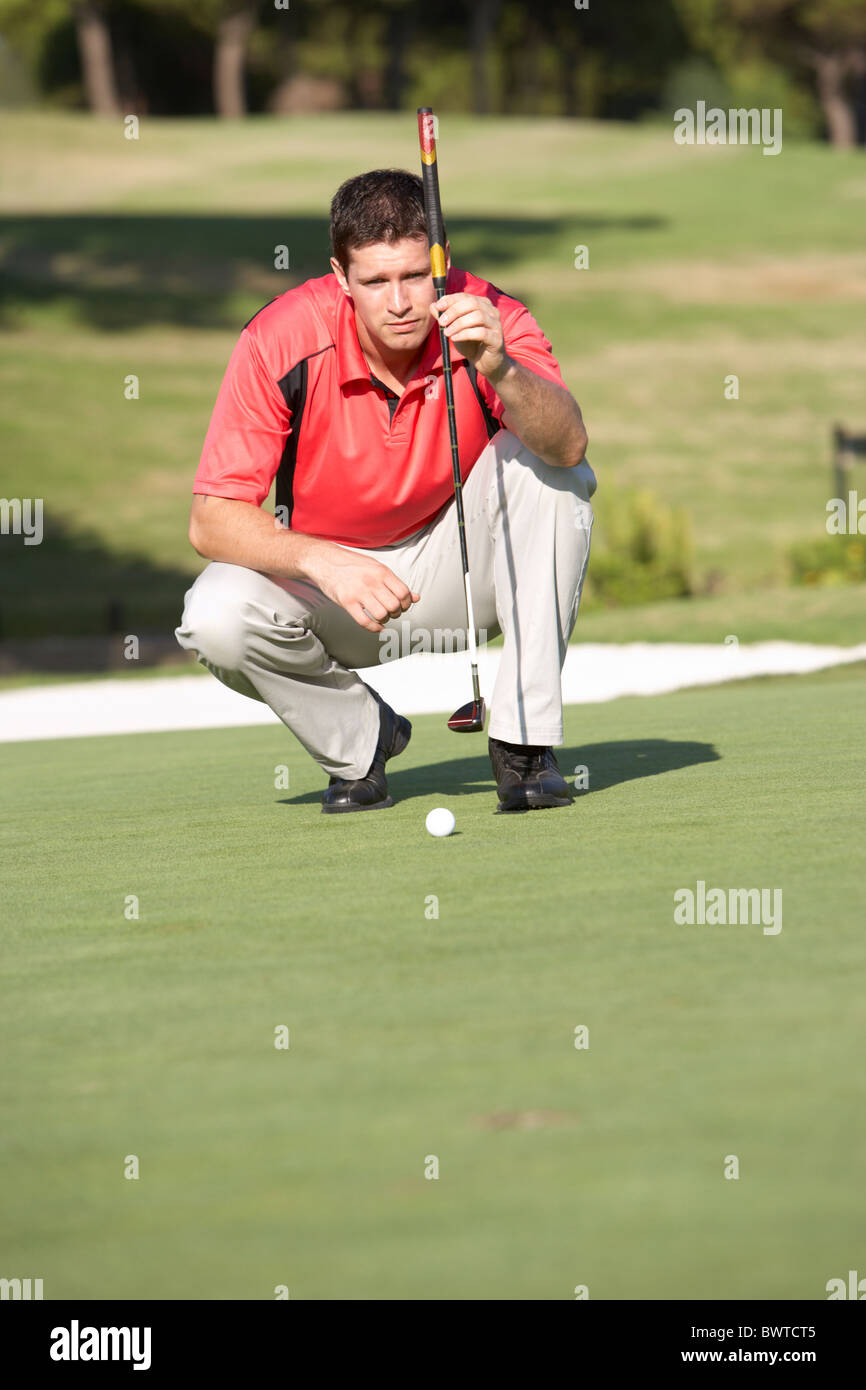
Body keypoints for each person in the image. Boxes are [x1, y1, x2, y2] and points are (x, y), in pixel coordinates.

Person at [175, 168, 596, 814]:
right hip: (334, 590)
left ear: (441, 263)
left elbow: (569, 448)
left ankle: (522, 745)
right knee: (214, 616)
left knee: (553, 472)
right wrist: (321, 558)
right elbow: (211, 521)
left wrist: (499, 366)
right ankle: (360, 742)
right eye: (374, 281)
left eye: (412, 277)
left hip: (463, 573)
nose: (399, 302)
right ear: (341, 279)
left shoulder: (491, 315)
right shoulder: (278, 338)